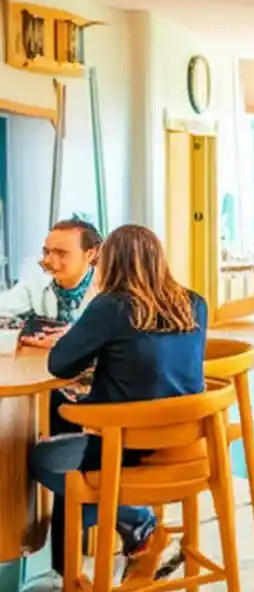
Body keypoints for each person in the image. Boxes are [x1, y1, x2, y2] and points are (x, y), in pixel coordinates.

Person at [30, 224, 207, 582]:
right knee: (77, 470)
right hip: (187, 446)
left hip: (127, 448)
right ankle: (133, 539)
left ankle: (139, 524)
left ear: (109, 263)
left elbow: (60, 364)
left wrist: (81, 334)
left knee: (41, 459)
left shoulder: (110, 306)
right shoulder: (194, 303)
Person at [0, 219, 102, 345]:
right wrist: (15, 325)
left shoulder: (111, 287)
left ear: (90, 254)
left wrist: (78, 335)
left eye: (61, 253)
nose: (47, 260)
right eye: (46, 252)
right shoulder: (37, 285)